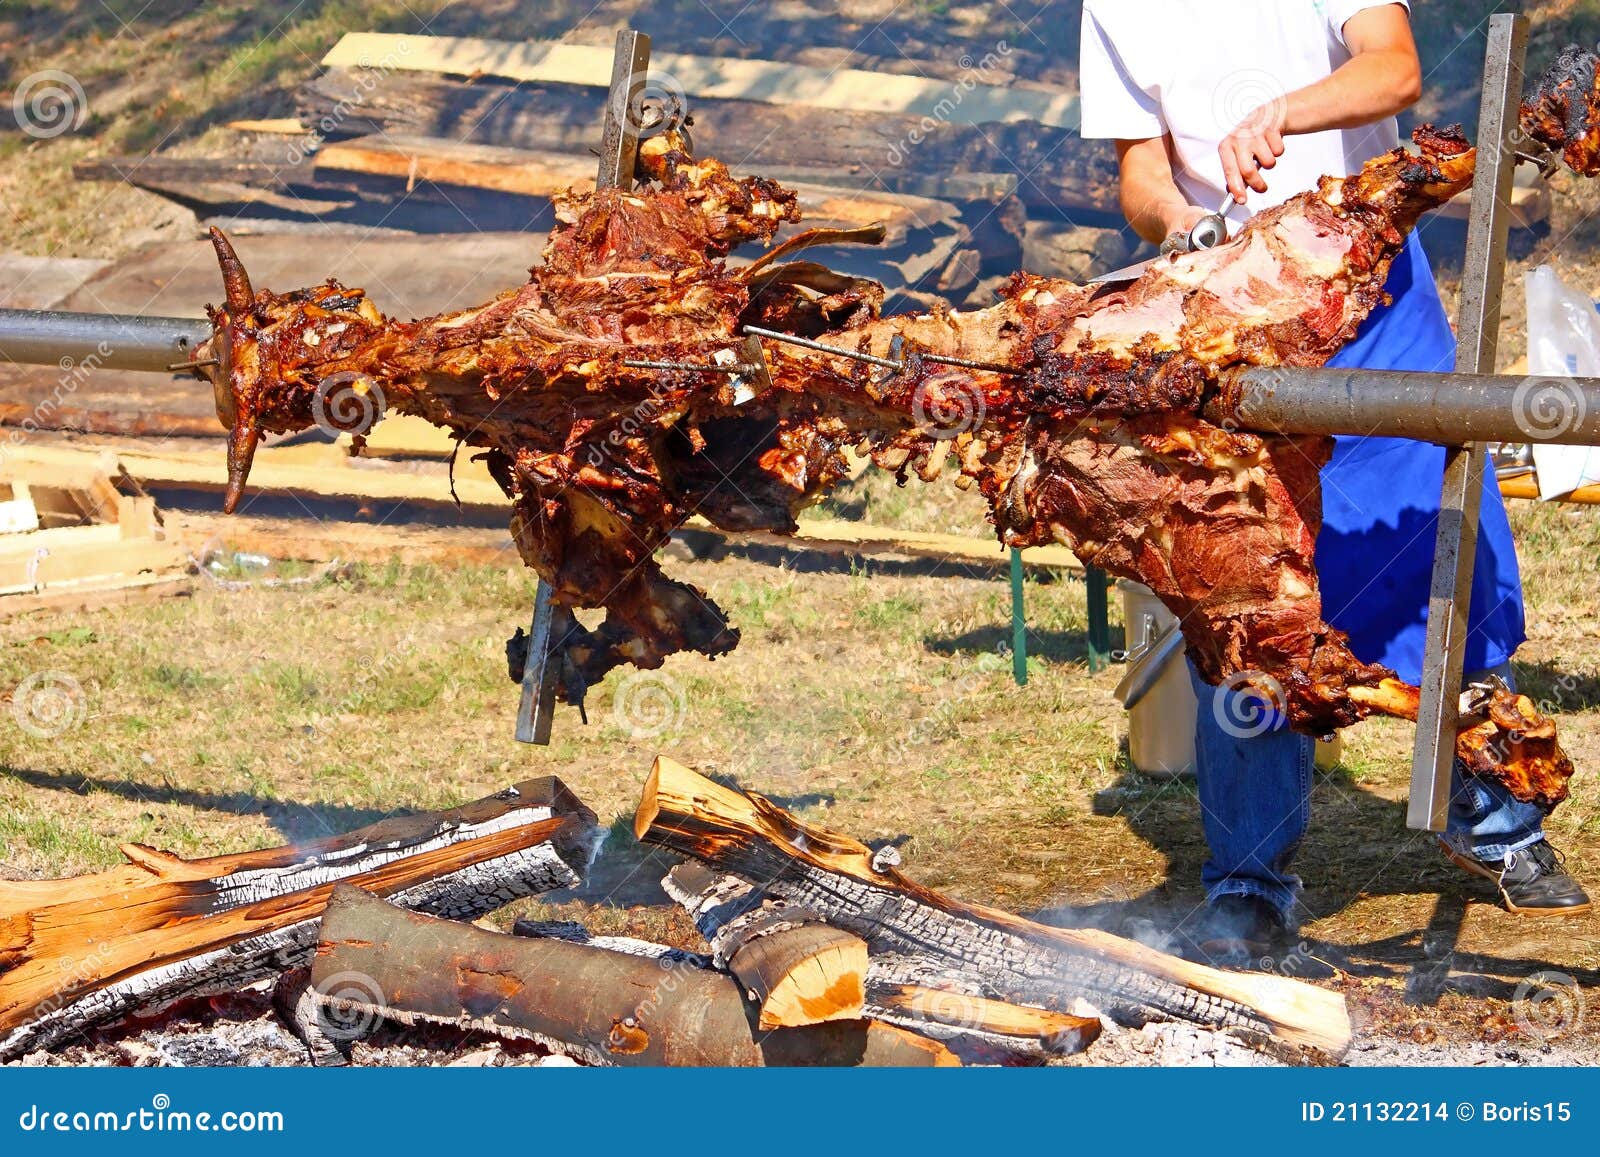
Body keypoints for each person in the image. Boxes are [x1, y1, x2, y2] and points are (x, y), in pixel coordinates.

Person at [1079, 0, 1590, 962]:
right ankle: (1249, 878)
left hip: (1373, 288)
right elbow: (1141, 171)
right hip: (1228, 311)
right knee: (1247, 589)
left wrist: (1282, 110)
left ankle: (1494, 817)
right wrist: (1180, 221)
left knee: (1442, 540)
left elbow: (1394, 69)